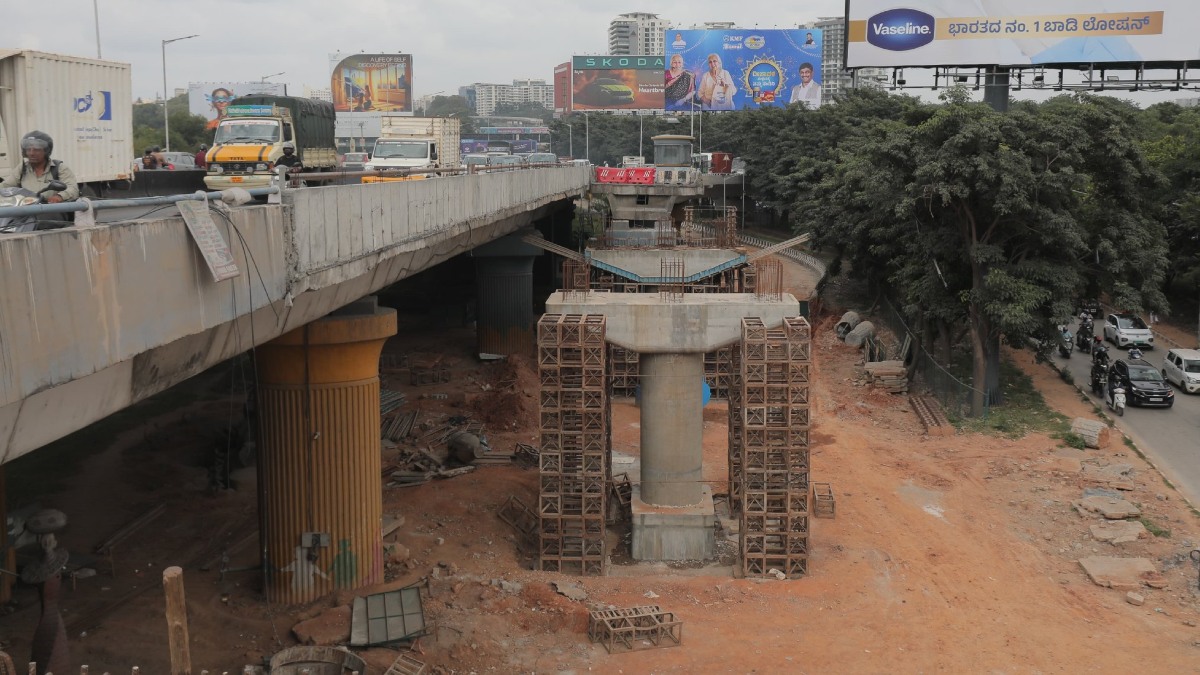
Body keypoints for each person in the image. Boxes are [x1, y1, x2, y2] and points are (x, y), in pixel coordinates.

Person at [0, 131, 79, 203]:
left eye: (36, 150)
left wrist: (59, 196)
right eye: (28, 150)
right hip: (27, 211)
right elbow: (6, 185)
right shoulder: (22, 168)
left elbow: (73, 189)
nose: (31, 153)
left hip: (52, 209)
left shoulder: (59, 168)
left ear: (46, 151)